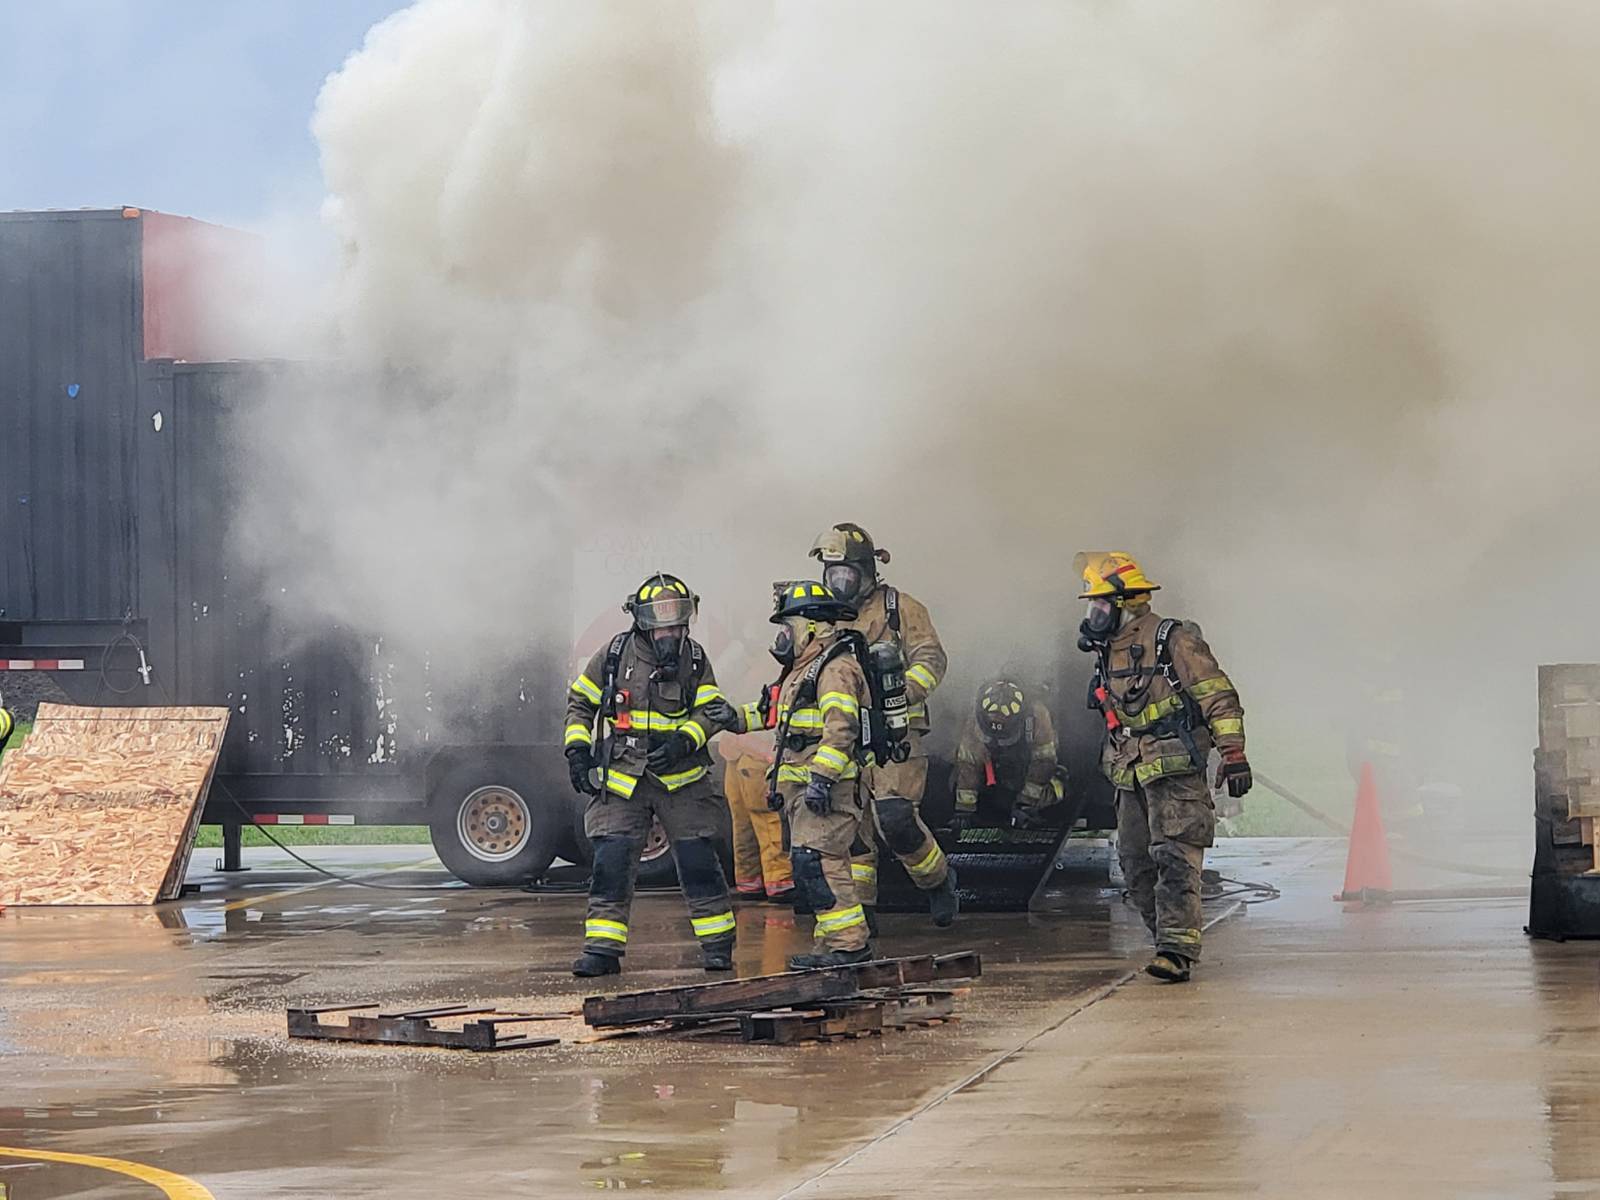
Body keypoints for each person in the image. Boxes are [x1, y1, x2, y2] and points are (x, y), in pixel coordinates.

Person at [1075, 552, 1250, 984]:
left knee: (1174, 855)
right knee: (1134, 863)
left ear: (1127, 603)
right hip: (1131, 770)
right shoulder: (1107, 649)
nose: (1092, 615)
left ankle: (1177, 950)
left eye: (1100, 605)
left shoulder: (1174, 639)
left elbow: (1217, 695)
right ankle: (1166, 940)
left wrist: (1233, 753)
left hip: (1174, 767)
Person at [563, 573, 741, 978]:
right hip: (624, 778)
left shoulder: (694, 659)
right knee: (611, 861)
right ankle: (602, 951)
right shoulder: (613, 655)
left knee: (699, 862)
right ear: (642, 621)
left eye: (677, 623)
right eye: (662, 624)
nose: (670, 632)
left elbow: (710, 710)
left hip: (683, 778)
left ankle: (717, 947)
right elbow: (581, 703)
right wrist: (577, 750)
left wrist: (684, 740)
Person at [809, 523, 958, 928]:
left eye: (846, 575)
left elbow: (931, 658)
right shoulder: (823, 616)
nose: (838, 585)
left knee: (894, 818)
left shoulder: (901, 608)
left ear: (867, 571)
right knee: (853, 828)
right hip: (846, 736)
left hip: (897, 733)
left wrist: (902, 690)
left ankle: (938, 882)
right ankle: (863, 911)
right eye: (832, 576)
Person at [765, 581, 879, 968]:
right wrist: (730, 718)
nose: (782, 638)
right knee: (813, 862)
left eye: (788, 628)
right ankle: (833, 945)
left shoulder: (836, 667)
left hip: (830, 788)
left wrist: (822, 778)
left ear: (812, 629)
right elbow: (787, 720)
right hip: (805, 787)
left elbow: (840, 726)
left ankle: (849, 945)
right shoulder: (805, 669)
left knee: (820, 860)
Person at [951, 679, 1068, 831]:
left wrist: (1025, 806)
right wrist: (964, 811)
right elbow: (968, 764)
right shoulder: (975, 718)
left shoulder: (1037, 716)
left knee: (1056, 787)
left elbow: (1043, 764)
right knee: (956, 778)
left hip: (1028, 772)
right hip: (997, 776)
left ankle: (1044, 813)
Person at [721, 731, 793, 903]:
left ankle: (749, 882)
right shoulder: (773, 704)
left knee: (744, 827)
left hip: (737, 757)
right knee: (770, 821)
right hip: (760, 758)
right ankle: (780, 882)